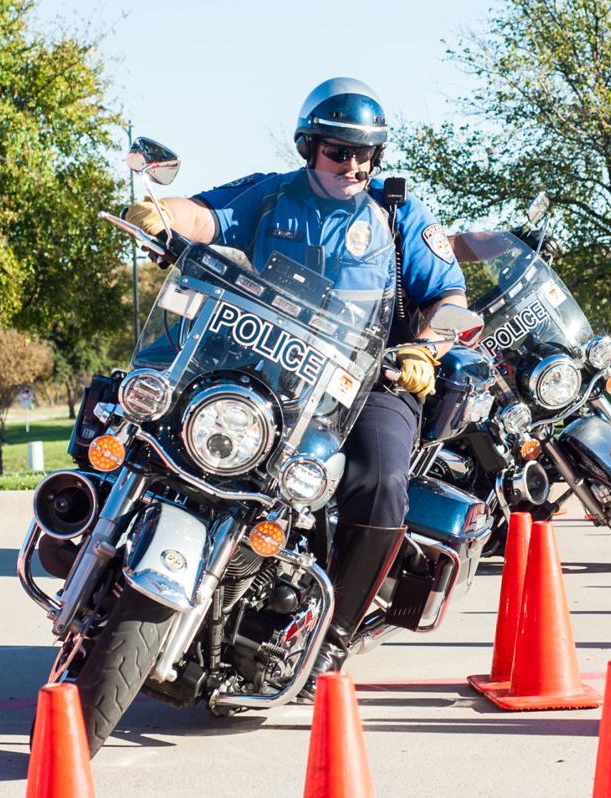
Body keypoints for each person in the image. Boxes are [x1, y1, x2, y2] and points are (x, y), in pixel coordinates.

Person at [124, 77, 468, 695]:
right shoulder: (271, 195)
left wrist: (426, 347)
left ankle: (331, 635)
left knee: (383, 478)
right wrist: (157, 212)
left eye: (365, 153)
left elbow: (448, 297)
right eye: (340, 150)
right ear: (311, 146)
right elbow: (202, 214)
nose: (353, 164)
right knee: (150, 406)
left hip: (366, 381)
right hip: (268, 359)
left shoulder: (398, 215)